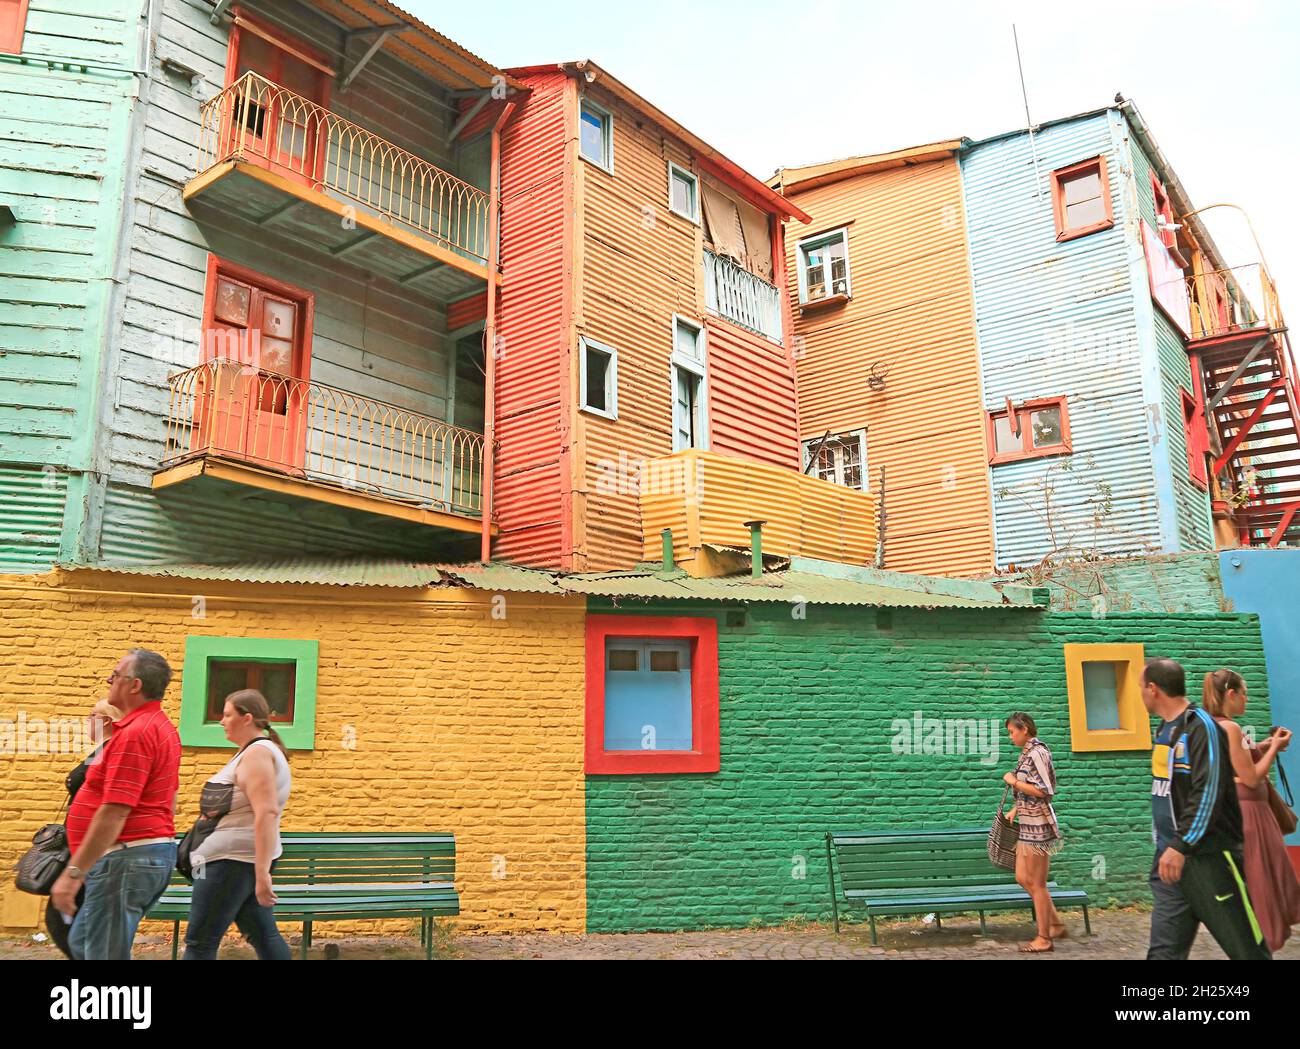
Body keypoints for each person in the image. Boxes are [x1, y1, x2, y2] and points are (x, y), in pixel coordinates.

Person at [50, 649, 181, 960]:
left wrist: (73, 874)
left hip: (126, 858)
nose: (109, 680)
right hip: (136, 856)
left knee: (101, 955)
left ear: (134, 685)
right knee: (83, 944)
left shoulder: (136, 734)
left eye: (115, 674)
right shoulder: (156, 726)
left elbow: (115, 810)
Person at [1143, 658, 1270, 960]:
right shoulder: (1166, 729)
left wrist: (1182, 844)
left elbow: (1209, 791)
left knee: (1248, 951)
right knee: (1163, 954)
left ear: (1153, 689)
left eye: (1140, 688)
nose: (1139, 694)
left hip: (1209, 860)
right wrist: (1170, 848)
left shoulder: (1201, 727)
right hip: (1170, 862)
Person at [183, 689, 292, 960]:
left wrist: (262, 873)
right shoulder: (255, 752)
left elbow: (266, 811)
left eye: (228, 714)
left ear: (247, 718)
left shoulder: (257, 754)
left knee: (199, 943)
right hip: (235, 862)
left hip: (230, 862)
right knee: (263, 934)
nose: (221, 721)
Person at [1203, 669, 1299, 952]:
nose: (1246, 699)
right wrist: (1275, 749)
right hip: (1249, 812)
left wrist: (1264, 745)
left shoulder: (1215, 724)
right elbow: (1250, 776)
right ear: (1230, 694)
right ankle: (1263, 937)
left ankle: (1263, 935)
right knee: (1261, 873)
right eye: (1244, 693)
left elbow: (1236, 760)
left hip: (1248, 810)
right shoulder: (1229, 727)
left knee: (1262, 871)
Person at [45, 700, 123, 959]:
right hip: (79, 846)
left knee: (63, 920)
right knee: (69, 921)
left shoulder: (113, 750)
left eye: (92, 715)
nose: (87, 720)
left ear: (107, 721)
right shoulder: (102, 749)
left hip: (92, 852)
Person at [1003, 712, 1066, 953]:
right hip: (1027, 825)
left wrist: (1013, 782)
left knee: (1037, 884)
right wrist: (1015, 809)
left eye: (1012, 732)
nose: (1011, 737)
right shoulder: (1027, 753)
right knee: (1022, 877)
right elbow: (1029, 793)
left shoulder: (1038, 752)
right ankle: (1056, 924)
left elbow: (1045, 790)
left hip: (1039, 827)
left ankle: (1044, 938)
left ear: (1025, 729)